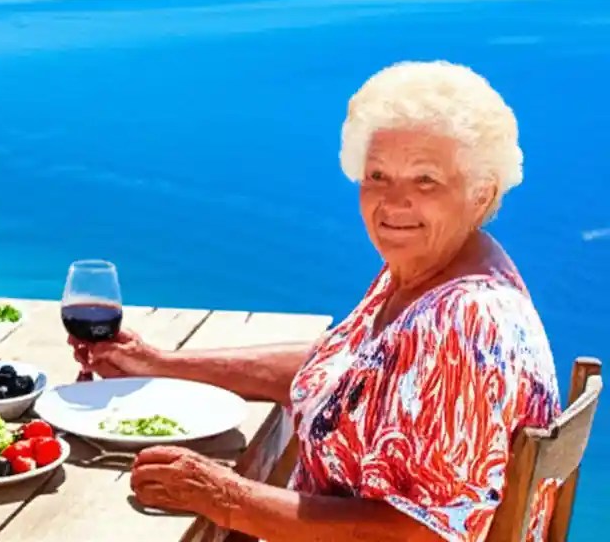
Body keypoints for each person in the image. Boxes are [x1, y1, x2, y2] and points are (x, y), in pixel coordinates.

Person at [72, 60, 561, 542]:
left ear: (481, 194)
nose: (392, 202)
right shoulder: (435, 271)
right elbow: (344, 372)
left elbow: (421, 536)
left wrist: (226, 496)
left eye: (426, 180)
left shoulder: (465, 322)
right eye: (377, 176)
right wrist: (161, 363)